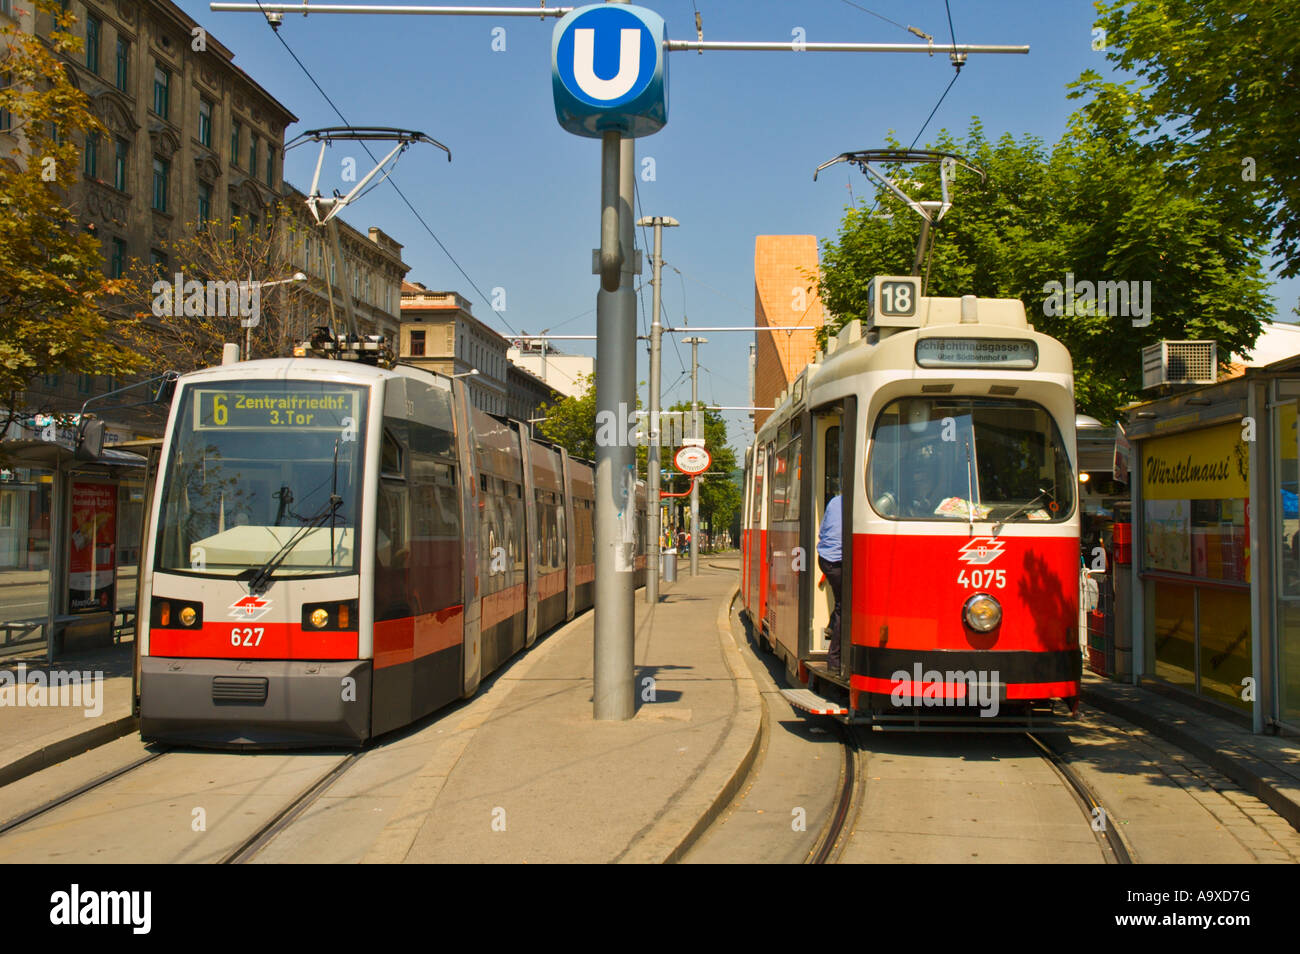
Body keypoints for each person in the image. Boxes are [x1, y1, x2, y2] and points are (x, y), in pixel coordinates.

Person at [817, 493, 843, 670]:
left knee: (842, 600)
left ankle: (831, 624)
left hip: (825, 557)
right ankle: (834, 661)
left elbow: (822, 532)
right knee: (846, 606)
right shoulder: (854, 502)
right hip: (836, 560)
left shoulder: (835, 501)